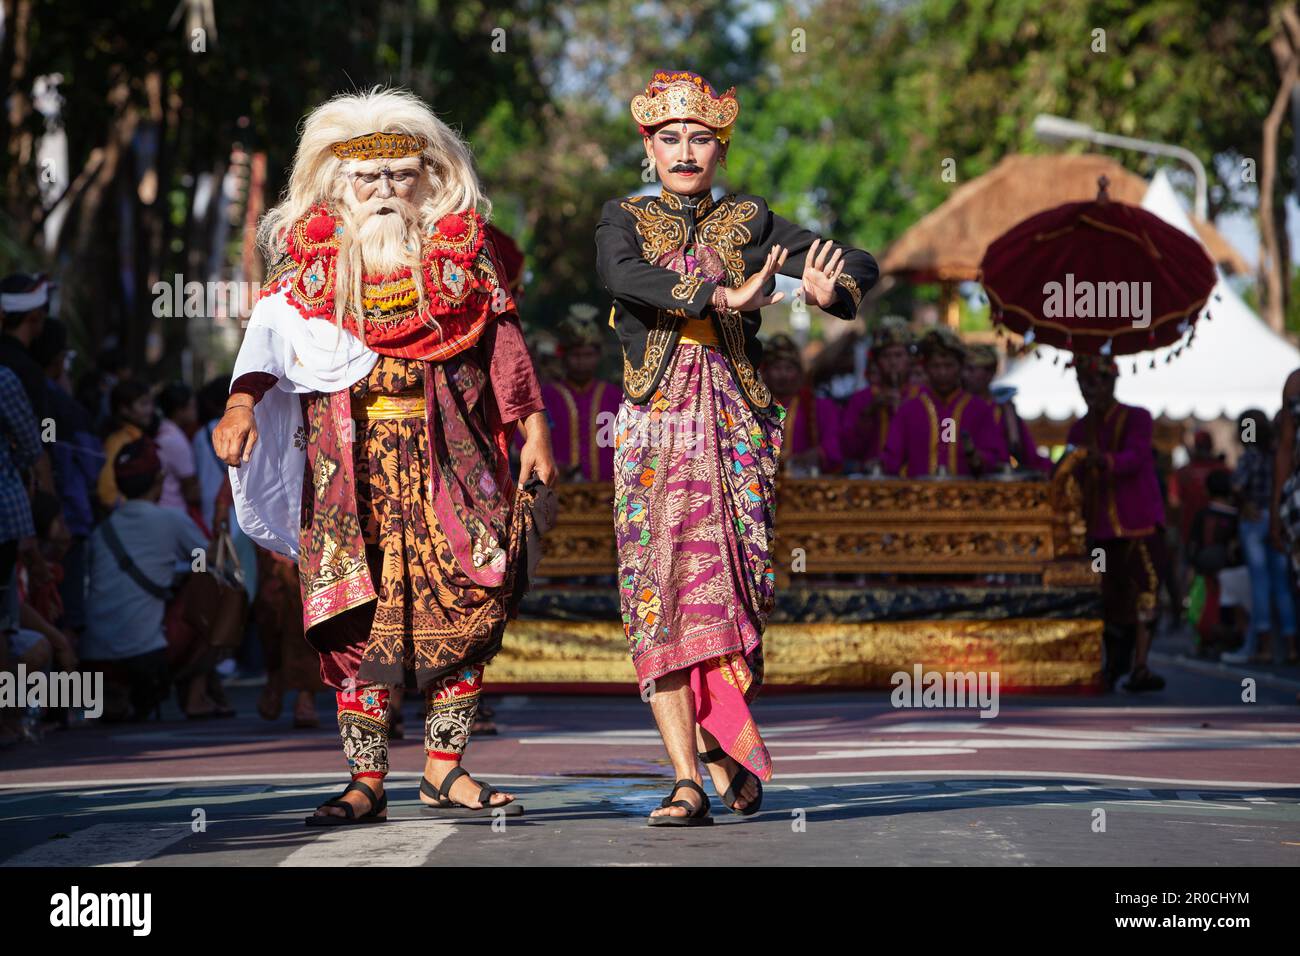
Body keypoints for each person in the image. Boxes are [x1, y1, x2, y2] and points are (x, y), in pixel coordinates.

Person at [212, 88, 556, 825]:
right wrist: (241, 405)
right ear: (340, 186)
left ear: (429, 179)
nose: (384, 192)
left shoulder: (467, 265)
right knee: (353, 621)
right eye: (367, 180)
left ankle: (444, 771)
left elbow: (506, 349)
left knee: (470, 603)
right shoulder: (305, 274)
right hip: (347, 474)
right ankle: (365, 781)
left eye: (400, 176)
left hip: (452, 468)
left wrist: (534, 432)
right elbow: (266, 343)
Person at [595, 69, 878, 825]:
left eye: (700, 139)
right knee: (658, 592)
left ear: (720, 148)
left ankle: (721, 742)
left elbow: (858, 261)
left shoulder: (751, 221)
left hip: (734, 426)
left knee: (736, 581)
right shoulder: (621, 218)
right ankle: (687, 776)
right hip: (657, 429)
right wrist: (723, 296)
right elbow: (621, 276)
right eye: (669, 139)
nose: (685, 152)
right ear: (648, 147)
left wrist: (829, 290)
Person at [81, 439, 210, 720]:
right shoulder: (171, 520)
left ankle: (116, 694)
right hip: (145, 659)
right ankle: (196, 696)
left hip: (94, 657)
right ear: (160, 478)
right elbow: (212, 563)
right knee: (214, 593)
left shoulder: (102, 530)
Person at [1068, 354, 1167, 692]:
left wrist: (1104, 461)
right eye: (1083, 382)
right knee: (1104, 597)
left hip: (1137, 523)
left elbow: (1136, 457)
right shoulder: (1080, 428)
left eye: (1094, 382)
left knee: (1146, 592)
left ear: (1111, 382)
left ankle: (1141, 665)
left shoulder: (1137, 418)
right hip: (1098, 527)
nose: (1089, 389)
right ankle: (1110, 665)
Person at [882, 327, 1007, 477]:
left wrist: (978, 458)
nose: (942, 373)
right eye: (936, 366)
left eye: (948, 365)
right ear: (926, 369)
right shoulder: (909, 410)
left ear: (960, 367)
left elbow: (995, 457)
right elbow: (892, 459)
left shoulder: (979, 409)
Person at [1225, 409, 1297, 664]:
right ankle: (1290, 646)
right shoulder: (1277, 454)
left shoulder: (1250, 457)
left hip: (1255, 521)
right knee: (1282, 585)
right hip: (1275, 517)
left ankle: (1264, 646)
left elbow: (1236, 486)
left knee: (1260, 585)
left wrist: (1242, 503)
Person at [541, 305, 621, 481]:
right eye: (576, 355)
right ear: (564, 356)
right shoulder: (547, 395)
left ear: (598, 356)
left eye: (588, 355)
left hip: (608, 493)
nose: (582, 361)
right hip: (559, 493)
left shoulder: (614, 395)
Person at [840, 315, 917, 471]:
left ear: (909, 360)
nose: (893, 362)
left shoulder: (922, 397)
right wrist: (869, 412)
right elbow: (847, 448)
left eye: (899, 355)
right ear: (876, 361)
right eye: (886, 356)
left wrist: (906, 413)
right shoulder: (861, 399)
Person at [961, 343, 1051, 473]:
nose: (965, 375)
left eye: (971, 369)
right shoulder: (958, 407)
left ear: (990, 373)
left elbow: (1026, 452)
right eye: (964, 369)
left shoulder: (1003, 408)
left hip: (999, 478)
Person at [761, 332, 843, 475]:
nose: (783, 375)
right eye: (777, 368)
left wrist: (816, 454)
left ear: (800, 373)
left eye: (788, 368)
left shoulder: (820, 407)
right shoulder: (753, 407)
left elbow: (835, 444)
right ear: (765, 373)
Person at [97, 380, 155, 510]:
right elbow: (107, 493)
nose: (150, 410)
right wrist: (133, 510)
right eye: (144, 404)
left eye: (151, 403)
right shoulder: (116, 441)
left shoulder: (137, 436)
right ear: (124, 409)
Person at [155, 382, 202, 523]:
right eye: (192, 406)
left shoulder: (164, 431)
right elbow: (191, 490)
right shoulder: (174, 440)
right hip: (173, 511)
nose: (196, 411)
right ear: (179, 410)